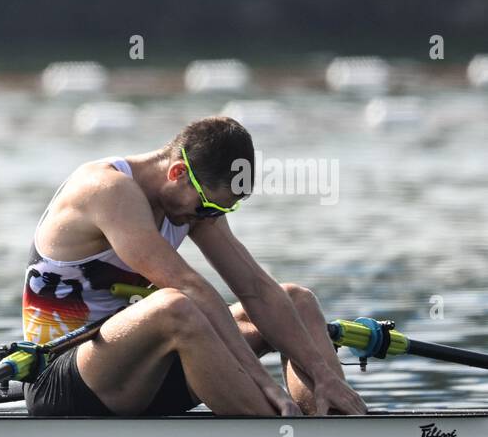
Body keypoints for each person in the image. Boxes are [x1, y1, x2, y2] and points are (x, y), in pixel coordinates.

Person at [22, 116, 366, 417]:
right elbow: (188, 287)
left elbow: (256, 289)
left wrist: (323, 373)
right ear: (178, 172)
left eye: (219, 212)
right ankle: (275, 433)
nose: (205, 218)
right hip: (64, 379)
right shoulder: (106, 190)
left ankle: (335, 421)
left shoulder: (191, 200)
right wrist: (262, 382)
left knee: (295, 301)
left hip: (143, 373)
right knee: (176, 306)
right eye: (205, 208)